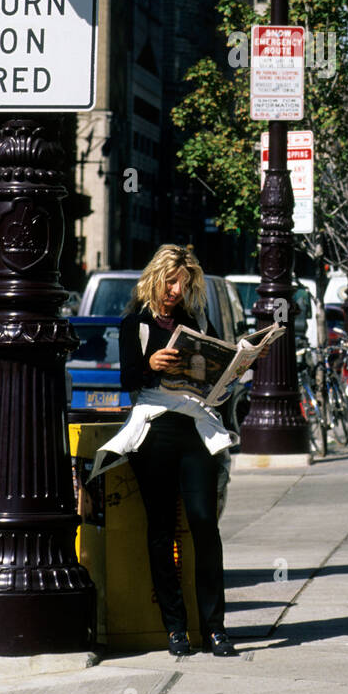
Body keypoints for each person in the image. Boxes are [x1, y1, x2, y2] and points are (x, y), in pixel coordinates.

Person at [116, 245, 236, 657]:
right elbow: (127, 376)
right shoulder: (136, 323)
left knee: (205, 523)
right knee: (161, 528)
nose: (175, 291)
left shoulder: (195, 321)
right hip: (154, 429)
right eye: (170, 282)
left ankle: (215, 627)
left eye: (183, 285)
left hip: (193, 427)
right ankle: (175, 628)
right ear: (156, 278)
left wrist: (241, 362)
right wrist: (152, 363)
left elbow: (219, 369)